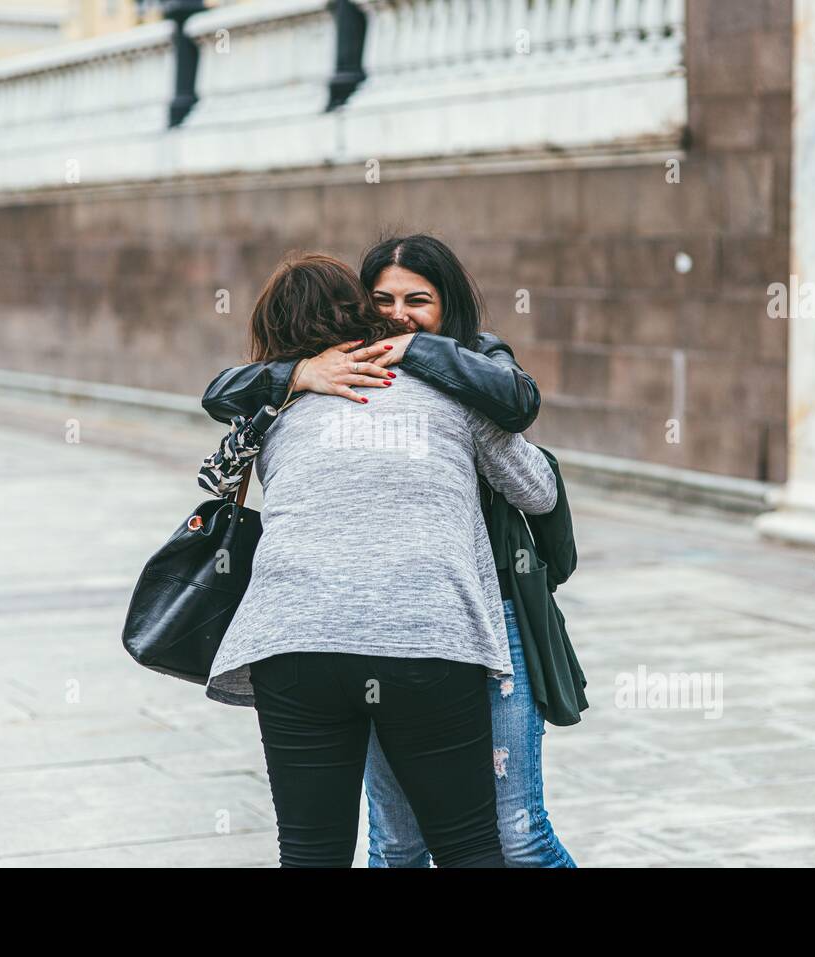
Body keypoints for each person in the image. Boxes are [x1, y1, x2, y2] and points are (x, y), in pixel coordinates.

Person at [203, 235, 581, 867]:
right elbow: (538, 491)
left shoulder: (274, 405)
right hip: (427, 634)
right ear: (360, 305)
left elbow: (222, 403)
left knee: (311, 853)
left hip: (292, 639)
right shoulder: (448, 393)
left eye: (417, 300)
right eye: (383, 300)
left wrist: (295, 378)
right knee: (466, 845)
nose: (399, 315)